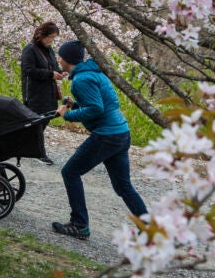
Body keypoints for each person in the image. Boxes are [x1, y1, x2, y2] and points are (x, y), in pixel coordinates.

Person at [52, 40, 148, 240]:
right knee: (123, 186)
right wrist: (76, 105)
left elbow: (96, 109)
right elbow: (104, 103)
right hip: (121, 133)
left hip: (107, 135)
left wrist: (66, 115)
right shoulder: (95, 73)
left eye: (60, 55)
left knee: (70, 172)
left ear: (68, 59)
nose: (58, 58)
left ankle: (79, 225)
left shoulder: (82, 80)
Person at [20, 21, 64, 165]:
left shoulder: (49, 49)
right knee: (38, 121)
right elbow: (29, 70)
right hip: (35, 92)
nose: (51, 40)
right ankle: (39, 152)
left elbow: (53, 66)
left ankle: (25, 146)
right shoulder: (30, 49)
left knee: (46, 118)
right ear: (42, 35)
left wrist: (59, 72)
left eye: (53, 38)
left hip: (49, 91)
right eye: (50, 37)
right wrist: (50, 74)